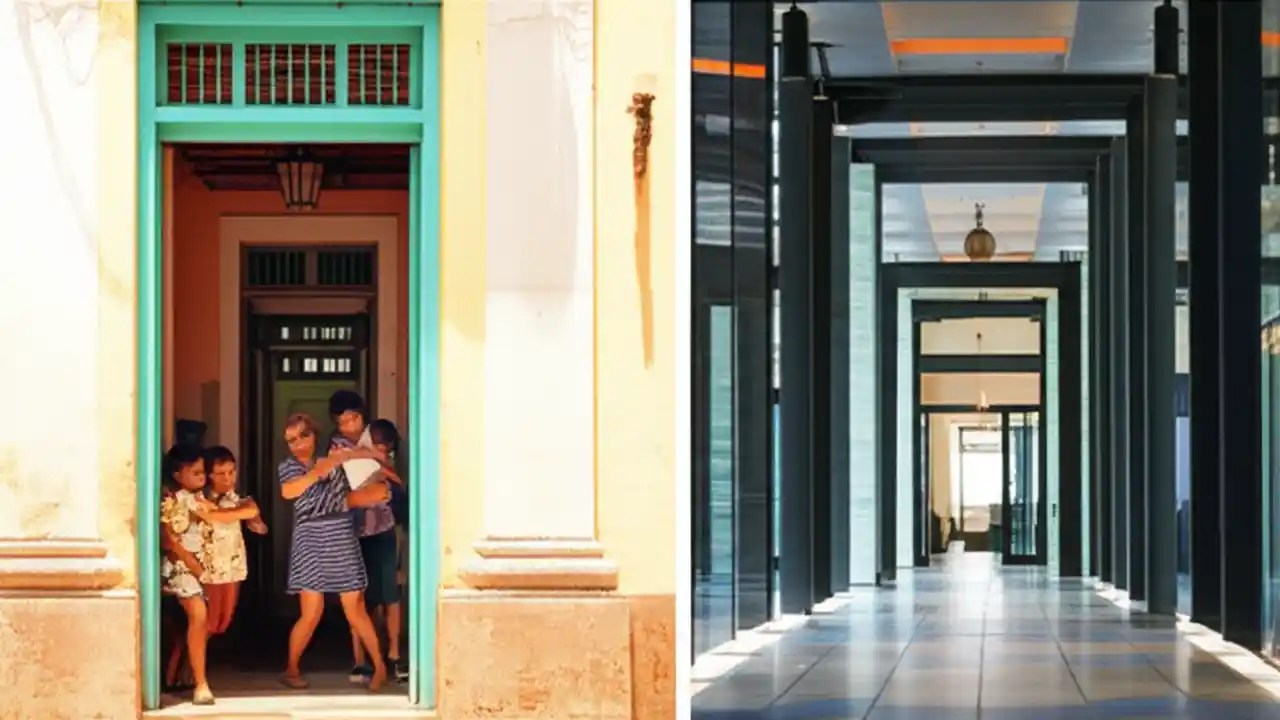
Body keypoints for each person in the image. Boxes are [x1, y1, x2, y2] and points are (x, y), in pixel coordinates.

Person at [277, 412, 391, 691]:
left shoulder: (336, 461)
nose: (299, 443)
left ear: (315, 435)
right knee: (311, 612)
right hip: (310, 541)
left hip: (340, 537)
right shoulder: (289, 467)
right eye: (292, 439)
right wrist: (323, 473)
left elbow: (377, 472)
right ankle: (291, 668)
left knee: (356, 610)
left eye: (304, 435)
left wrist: (354, 455)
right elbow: (290, 492)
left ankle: (380, 668)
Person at [327, 392, 406, 685]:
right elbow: (352, 475)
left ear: (363, 415)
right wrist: (371, 459)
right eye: (342, 420)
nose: (349, 425)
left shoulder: (377, 434)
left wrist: (372, 458)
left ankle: (395, 655)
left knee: (389, 591)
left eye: (354, 418)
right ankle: (360, 659)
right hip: (352, 528)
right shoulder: (336, 445)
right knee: (357, 595)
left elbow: (391, 474)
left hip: (383, 524)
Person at [201, 446, 267, 639]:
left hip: (233, 567)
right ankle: (189, 668)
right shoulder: (201, 499)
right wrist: (240, 512)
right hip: (209, 568)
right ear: (209, 475)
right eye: (220, 474)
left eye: (231, 472)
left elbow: (260, 525)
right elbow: (207, 514)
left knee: (223, 622)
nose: (228, 478)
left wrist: (245, 514)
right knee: (207, 623)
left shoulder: (239, 498)